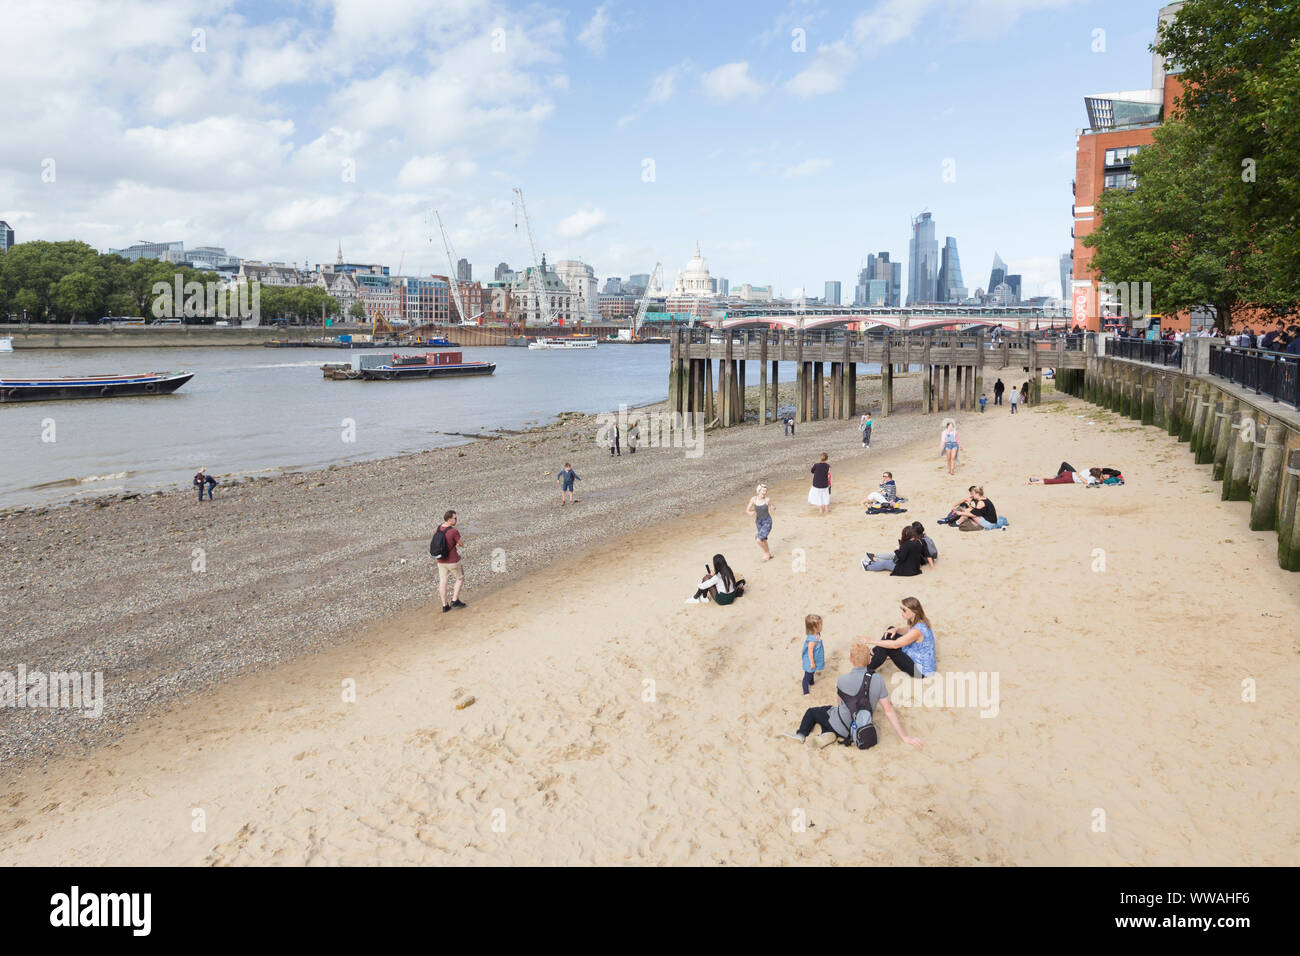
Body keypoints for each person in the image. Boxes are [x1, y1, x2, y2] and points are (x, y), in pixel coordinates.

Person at [782, 642, 922, 750]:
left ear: (850, 659)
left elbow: (839, 702)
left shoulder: (842, 679)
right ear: (869, 661)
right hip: (859, 724)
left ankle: (801, 734)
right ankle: (827, 734)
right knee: (833, 713)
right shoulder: (878, 679)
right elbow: (888, 710)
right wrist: (905, 737)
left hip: (841, 721)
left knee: (813, 712)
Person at [867, 596, 937, 679]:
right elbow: (908, 629)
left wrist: (871, 641)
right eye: (901, 609)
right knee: (890, 630)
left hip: (920, 671)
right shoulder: (918, 620)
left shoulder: (918, 630)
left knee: (888, 648)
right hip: (915, 655)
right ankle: (874, 652)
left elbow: (895, 645)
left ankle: (869, 669)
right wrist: (896, 629)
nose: (902, 612)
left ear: (914, 611)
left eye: (904, 610)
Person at [862, 524, 931, 575]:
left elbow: (901, 558)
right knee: (890, 560)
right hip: (915, 568)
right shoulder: (919, 542)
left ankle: (868, 567)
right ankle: (872, 561)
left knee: (885, 563)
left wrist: (897, 550)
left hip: (906, 570)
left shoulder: (907, 544)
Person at [435, 509, 466, 612]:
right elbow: (461, 543)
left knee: (443, 581)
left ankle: (445, 605)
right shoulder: (453, 531)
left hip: (441, 561)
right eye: (455, 518)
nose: (456, 520)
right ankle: (455, 600)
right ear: (449, 519)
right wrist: (457, 544)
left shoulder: (438, 529)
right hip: (453, 561)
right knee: (460, 578)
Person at [746, 484, 774, 561]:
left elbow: (773, 506)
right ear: (758, 491)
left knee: (758, 539)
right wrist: (749, 512)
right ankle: (768, 554)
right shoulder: (753, 499)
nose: (765, 492)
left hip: (767, 521)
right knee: (763, 539)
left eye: (766, 491)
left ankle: (767, 554)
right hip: (758, 522)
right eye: (763, 490)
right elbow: (747, 509)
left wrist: (772, 507)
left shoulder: (767, 500)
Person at [801, 614, 825, 695]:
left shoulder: (817, 634)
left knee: (812, 672)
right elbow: (810, 652)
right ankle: (806, 691)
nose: (822, 626)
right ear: (814, 628)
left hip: (815, 658)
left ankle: (812, 683)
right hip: (810, 660)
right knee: (808, 675)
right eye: (820, 625)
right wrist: (812, 662)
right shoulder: (812, 641)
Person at [1028, 462, 1102, 486]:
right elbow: (1086, 482)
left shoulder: (1088, 470)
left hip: (1069, 473)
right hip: (1070, 478)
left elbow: (1095, 469)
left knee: (1054, 479)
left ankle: (1037, 480)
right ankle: (1034, 482)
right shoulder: (1092, 478)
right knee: (1052, 481)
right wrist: (1080, 477)